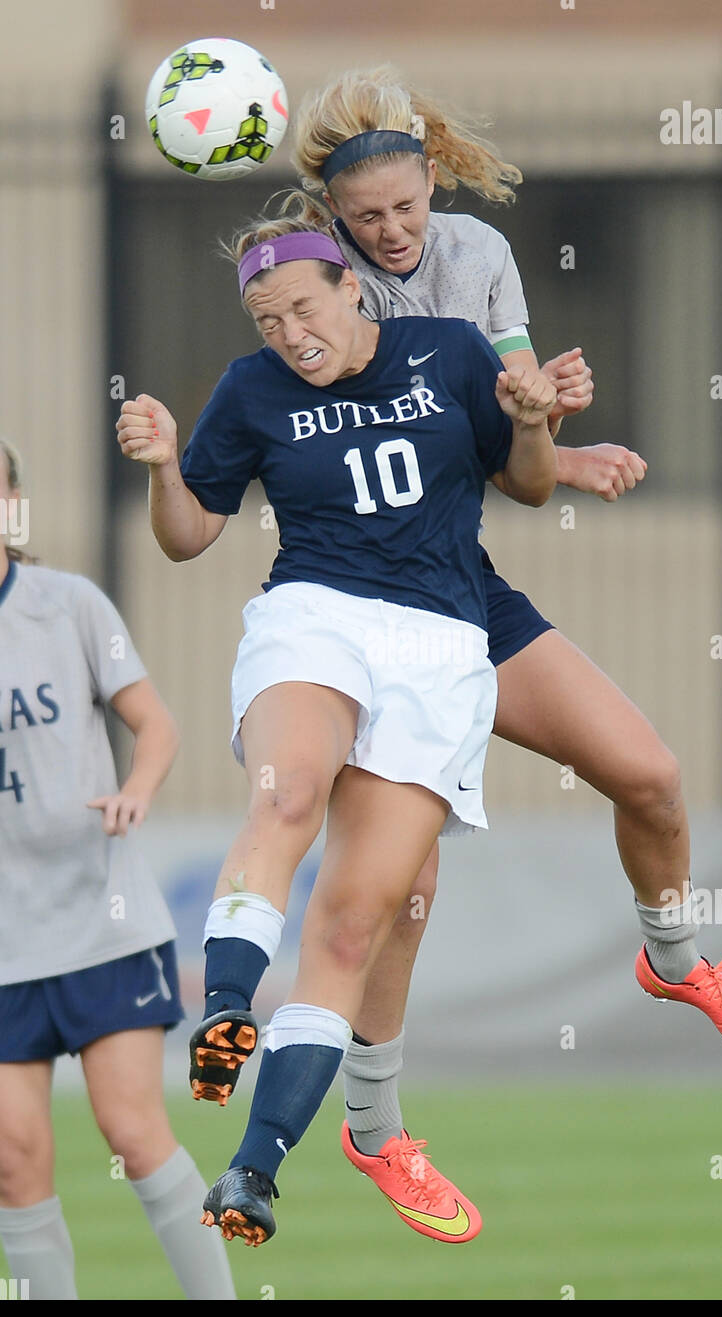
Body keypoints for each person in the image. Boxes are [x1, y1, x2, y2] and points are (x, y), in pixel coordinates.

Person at [171, 68, 722, 1246]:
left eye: (407, 208)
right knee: (396, 895)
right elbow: (320, 406)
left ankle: (671, 956)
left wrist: (554, 425)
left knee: (649, 773)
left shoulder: (475, 261)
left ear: (432, 186)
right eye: (368, 219)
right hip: (358, 603)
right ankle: (375, 1128)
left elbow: (508, 429)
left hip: (461, 597)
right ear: (331, 228)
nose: (393, 232)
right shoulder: (304, 290)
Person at [115, 221, 559, 1245]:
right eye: (267, 321)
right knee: (287, 793)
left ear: (352, 290)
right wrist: (163, 465)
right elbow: (189, 538)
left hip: (440, 647)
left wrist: (534, 423)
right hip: (314, 614)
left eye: (303, 309)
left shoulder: (449, 350)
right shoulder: (249, 388)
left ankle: (252, 1171)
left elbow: (529, 483)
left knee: (356, 924)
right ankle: (224, 1006)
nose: (288, 334)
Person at [0, 438, 236, 1299]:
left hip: (100, 917)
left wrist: (136, 788)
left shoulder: (67, 606)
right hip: (4, 942)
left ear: (12, 501)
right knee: (13, 1161)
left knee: (132, 1130)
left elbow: (157, 724)